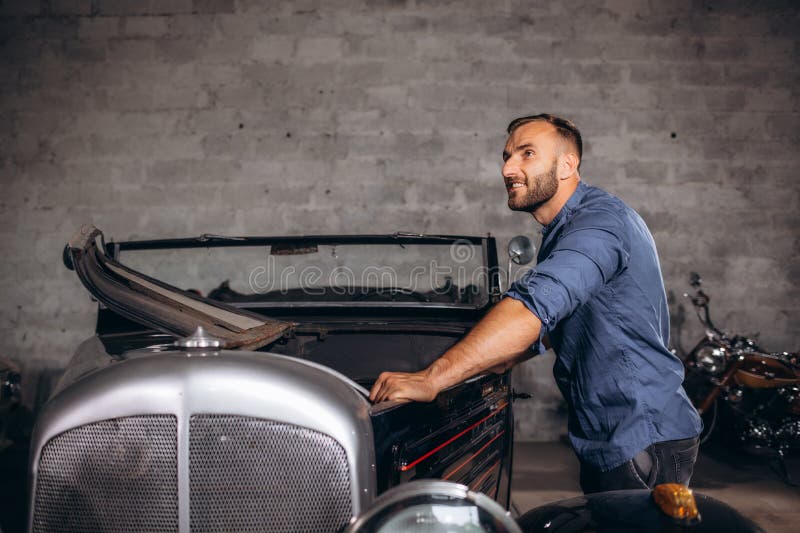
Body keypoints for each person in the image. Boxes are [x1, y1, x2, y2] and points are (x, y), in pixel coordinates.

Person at [369, 113, 703, 494]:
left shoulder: (599, 226)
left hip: (643, 435)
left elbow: (536, 305)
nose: (509, 168)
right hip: (612, 432)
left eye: (527, 154)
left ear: (567, 164)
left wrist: (432, 379)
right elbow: (556, 323)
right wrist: (501, 357)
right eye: (507, 156)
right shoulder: (565, 231)